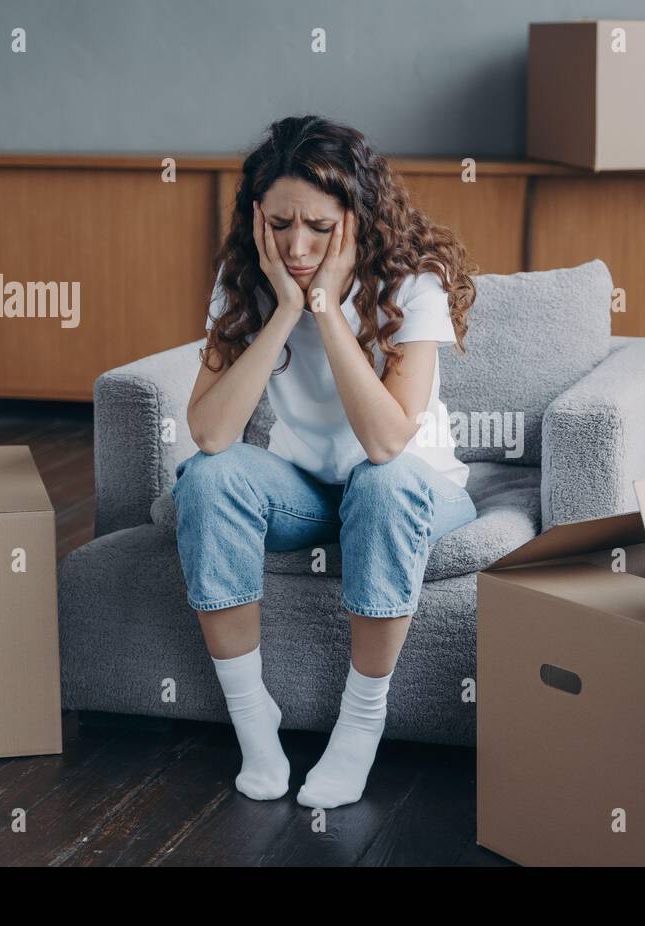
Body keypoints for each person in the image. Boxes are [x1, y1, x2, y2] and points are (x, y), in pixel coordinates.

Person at [171, 115, 478, 809]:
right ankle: (254, 720)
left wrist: (328, 309)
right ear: (256, 220)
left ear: (355, 217)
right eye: (279, 224)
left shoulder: (411, 284)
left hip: (416, 487)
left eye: (318, 226)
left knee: (383, 480)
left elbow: (386, 441)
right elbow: (212, 433)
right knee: (209, 477)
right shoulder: (245, 282)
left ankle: (360, 725)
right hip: (306, 490)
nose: (298, 245)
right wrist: (283, 309)